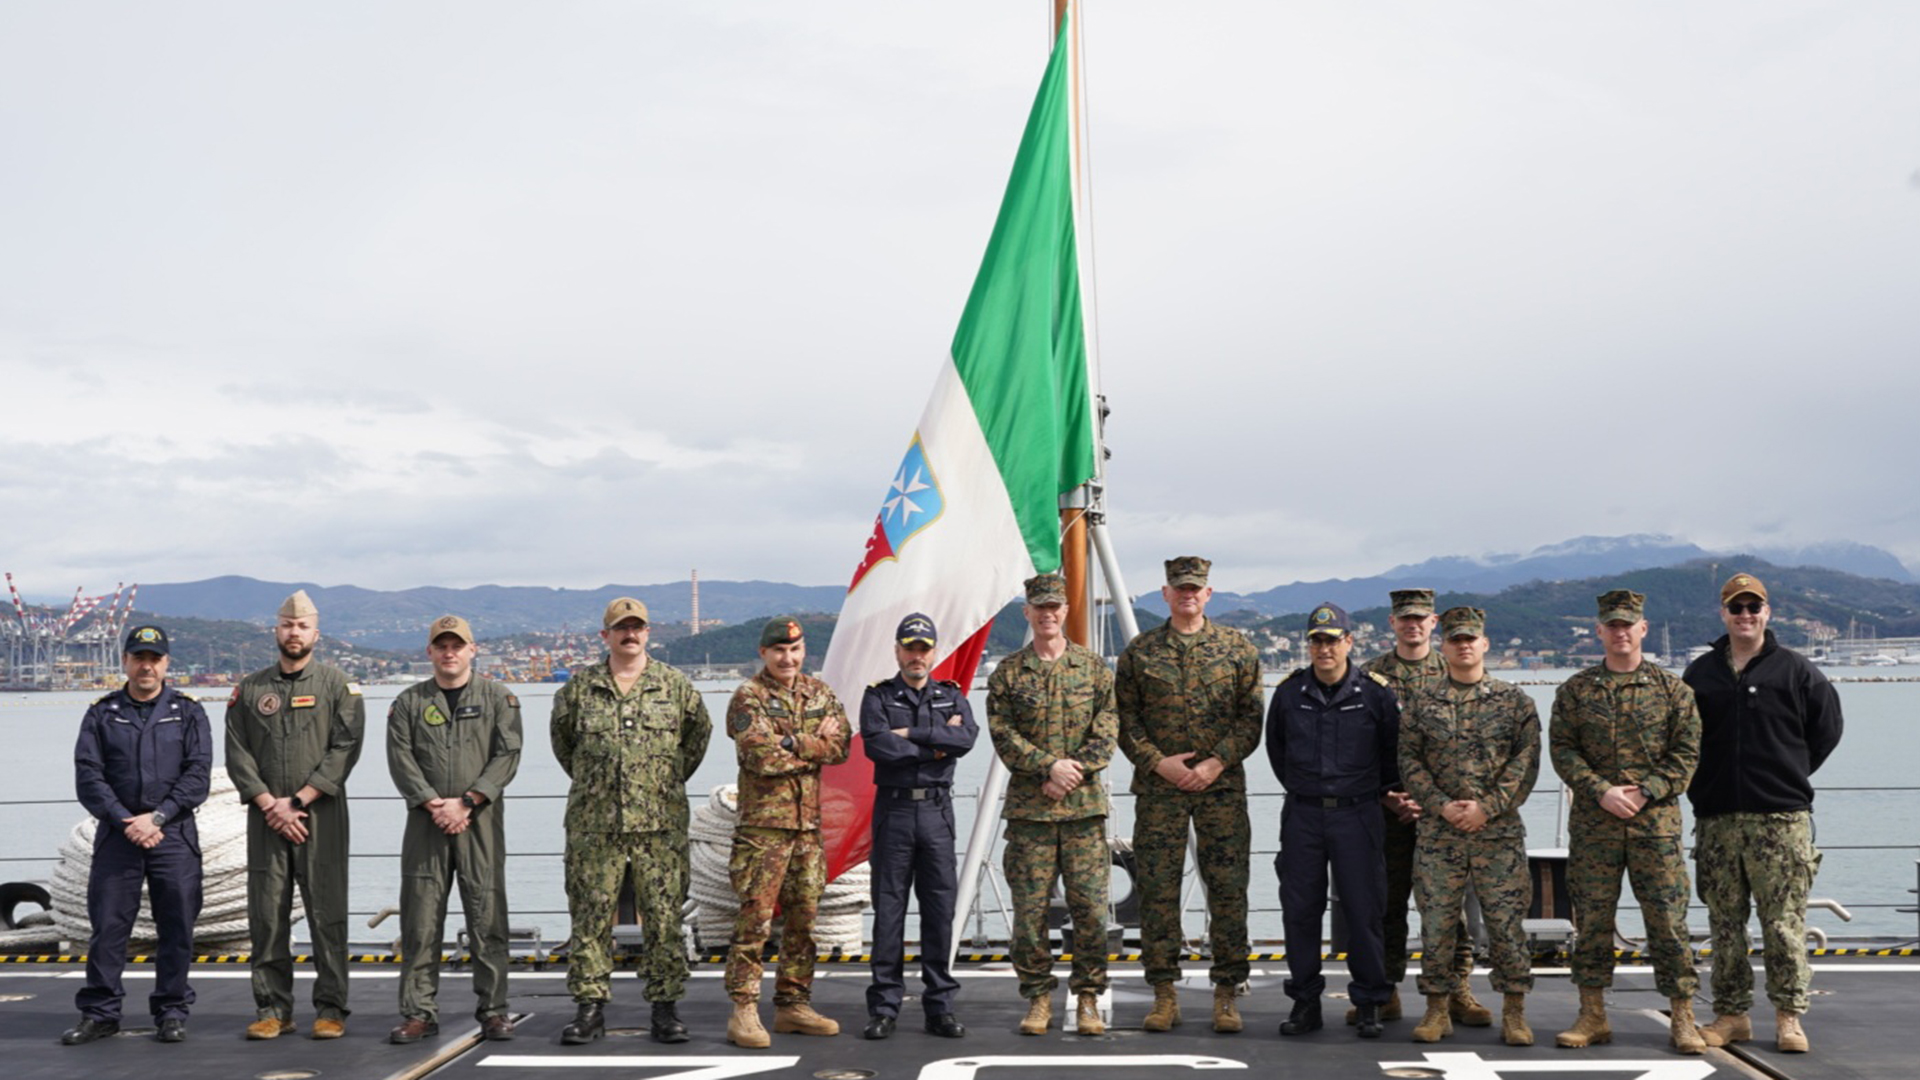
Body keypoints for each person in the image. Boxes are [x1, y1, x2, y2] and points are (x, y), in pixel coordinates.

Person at [1684, 572, 1844, 1054]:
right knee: (1725, 923)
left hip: (1780, 819)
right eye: (1737, 608)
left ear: (1767, 613)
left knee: (1783, 923)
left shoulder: (1796, 670)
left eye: (1754, 607)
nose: (1746, 615)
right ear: (1724, 614)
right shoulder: (1702, 674)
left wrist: (1789, 772)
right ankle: (1731, 1015)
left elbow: (1828, 729)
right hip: (1717, 817)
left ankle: (1788, 1017)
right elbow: (1683, 740)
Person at [1549, 589, 1704, 1054]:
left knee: (1668, 922)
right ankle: (1592, 1013)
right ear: (1599, 631)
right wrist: (1601, 789)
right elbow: (1562, 749)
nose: (1620, 632)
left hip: (1654, 827)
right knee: (1593, 921)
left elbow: (1687, 753)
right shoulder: (1576, 691)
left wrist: (1646, 790)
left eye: (1627, 624)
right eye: (1611, 625)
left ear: (1643, 629)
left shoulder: (1673, 690)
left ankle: (1683, 1016)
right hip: (1595, 825)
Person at [551, 597, 712, 1045]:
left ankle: (665, 1008)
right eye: (621, 627)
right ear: (605, 635)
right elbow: (565, 748)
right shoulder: (578, 691)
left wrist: (659, 783)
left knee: (663, 919)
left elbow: (695, 741)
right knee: (590, 918)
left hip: (659, 826)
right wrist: (602, 784)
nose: (630, 634)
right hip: (594, 826)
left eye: (637, 627)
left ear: (648, 633)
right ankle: (589, 1008)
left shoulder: (675, 687)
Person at [1115, 556, 1262, 1034]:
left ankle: (1226, 994)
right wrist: (1160, 763)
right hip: (1161, 791)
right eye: (1179, 588)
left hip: (1220, 790)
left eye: (1195, 588)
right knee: (1158, 892)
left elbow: (1250, 720)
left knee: (1228, 890)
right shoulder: (1140, 653)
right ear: (1165, 593)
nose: (1187, 595)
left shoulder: (1238, 649)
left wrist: (1214, 763)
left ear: (1208, 593)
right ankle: (1163, 993)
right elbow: (1126, 721)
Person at [224, 589, 367, 1040]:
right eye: (287, 625)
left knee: (328, 915)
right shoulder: (250, 689)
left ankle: (331, 1009)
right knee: (267, 915)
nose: (294, 633)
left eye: (302, 626)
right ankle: (272, 1009)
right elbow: (237, 751)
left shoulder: (338, 687)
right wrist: (270, 804)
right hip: (267, 819)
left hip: (320, 815)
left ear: (316, 634)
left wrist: (299, 800)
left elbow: (345, 750)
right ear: (276, 631)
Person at [61, 625, 212, 1046]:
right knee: (108, 927)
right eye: (138, 657)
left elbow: (198, 775)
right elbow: (88, 777)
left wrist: (158, 818)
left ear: (166, 663)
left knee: (177, 926)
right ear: (125, 661)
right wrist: (128, 820)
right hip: (118, 835)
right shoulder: (101, 713)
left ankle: (171, 1011)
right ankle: (101, 1013)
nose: (146, 665)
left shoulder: (189, 712)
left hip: (174, 835)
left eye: (154, 658)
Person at [1397, 607, 1540, 1047]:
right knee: (1437, 924)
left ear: (1484, 644)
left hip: (1496, 833)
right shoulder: (1423, 704)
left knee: (1505, 924)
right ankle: (1437, 1009)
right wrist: (1441, 807)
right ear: (1444, 646)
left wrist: (1486, 808)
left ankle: (1514, 1011)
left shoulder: (1515, 703)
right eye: (1455, 639)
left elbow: (1526, 764)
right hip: (1440, 834)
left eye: (1470, 639)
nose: (1463, 646)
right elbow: (1409, 762)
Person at [988, 572, 1118, 1037]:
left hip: (1082, 814)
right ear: (1027, 612)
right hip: (1031, 816)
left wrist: (1069, 774)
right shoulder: (1007, 673)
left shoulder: (1095, 669)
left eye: (1055, 607)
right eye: (1039, 607)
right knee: (1029, 915)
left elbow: (1107, 732)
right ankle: (1038, 998)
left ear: (1065, 612)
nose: (1047, 614)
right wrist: (1048, 767)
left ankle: (1087, 999)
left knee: (1090, 911)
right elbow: (1003, 736)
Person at [385, 615, 523, 1044]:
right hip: (425, 824)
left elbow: (507, 756)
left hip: (478, 821)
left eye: (457, 645)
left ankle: (495, 1010)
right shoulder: (408, 703)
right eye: (441, 646)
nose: (450, 652)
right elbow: (400, 758)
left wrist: (467, 801)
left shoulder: (499, 698)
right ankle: (419, 1012)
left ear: (472, 649)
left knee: (487, 918)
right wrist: (433, 803)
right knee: (420, 921)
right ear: (429, 652)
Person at [1265, 601, 1399, 1039]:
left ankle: (1369, 1003)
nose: (1325, 648)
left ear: (1349, 642)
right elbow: (1277, 753)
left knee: (1364, 912)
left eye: (1333, 639)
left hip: (1358, 814)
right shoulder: (1288, 694)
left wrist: (1366, 794)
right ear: (1309, 645)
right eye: (1317, 640)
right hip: (1303, 814)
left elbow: (1390, 756)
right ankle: (1305, 1003)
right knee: (1301, 912)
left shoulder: (1375, 693)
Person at [1361, 588, 1487, 1029]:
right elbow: (1357, 747)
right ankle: (1386, 989)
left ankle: (1458, 990)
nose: (1412, 625)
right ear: (1392, 623)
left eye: (1420, 618)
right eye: (1404, 618)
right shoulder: (1369, 676)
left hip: (1443, 813)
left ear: (1434, 623)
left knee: (1447, 906)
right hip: (1388, 809)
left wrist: (1438, 801)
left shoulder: (1453, 669)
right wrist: (1384, 793)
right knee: (1387, 903)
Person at [724, 617, 851, 1048]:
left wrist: (793, 743)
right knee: (754, 922)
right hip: (763, 831)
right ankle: (743, 1010)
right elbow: (760, 758)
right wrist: (812, 743)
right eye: (779, 650)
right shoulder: (749, 697)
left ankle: (792, 1004)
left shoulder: (820, 693)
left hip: (807, 829)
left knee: (804, 920)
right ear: (764, 653)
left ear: (803, 650)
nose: (788, 658)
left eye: (795, 650)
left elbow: (842, 747)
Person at [859, 612, 979, 1041]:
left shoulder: (951, 694)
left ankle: (940, 1007)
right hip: (893, 813)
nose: (916, 655)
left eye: (924, 648)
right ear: (897, 650)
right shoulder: (877, 696)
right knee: (888, 912)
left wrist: (909, 731)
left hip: (936, 814)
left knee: (939, 912)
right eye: (909, 647)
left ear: (933, 652)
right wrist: (933, 747)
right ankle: (885, 1006)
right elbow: (878, 746)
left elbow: (965, 740)